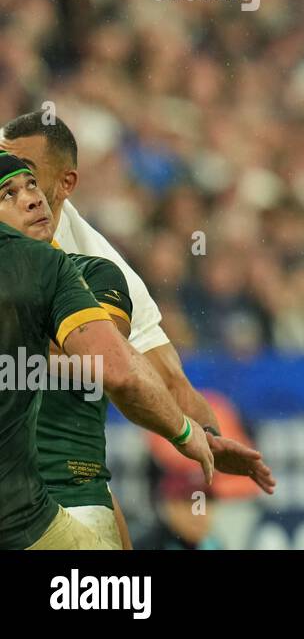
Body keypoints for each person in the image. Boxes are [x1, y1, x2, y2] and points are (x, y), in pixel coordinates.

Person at [0, 112, 277, 536]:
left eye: (30, 178)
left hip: (53, 491)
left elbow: (149, 375)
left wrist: (202, 435)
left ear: (65, 184)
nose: (23, 190)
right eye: (6, 179)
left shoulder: (98, 268)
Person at [0, 152, 214, 549]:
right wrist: (183, 431)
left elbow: (103, 364)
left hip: (71, 492)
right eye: (7, 194)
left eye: (32, 184)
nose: (32, 198)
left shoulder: (91, 272)